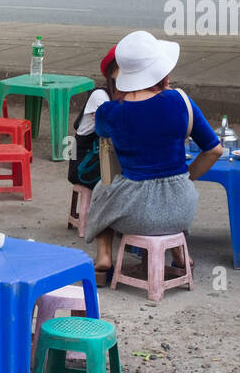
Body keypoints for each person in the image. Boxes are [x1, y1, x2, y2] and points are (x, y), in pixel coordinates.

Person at [85, 30, 223, 279]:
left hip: (133, 213)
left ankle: (104, 254)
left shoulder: (109, 111)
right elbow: (214, 150)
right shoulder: (181, 100)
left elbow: (103, 133)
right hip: (180, 208)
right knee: (171, 197)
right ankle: (180, 253)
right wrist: (184, 179)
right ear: (161, 70)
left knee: (102, 189)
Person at [68, 45, 117, 189]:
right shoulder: (100, 96)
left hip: (106, 160)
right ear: (113, 71)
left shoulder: (127, 96)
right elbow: (109, 128)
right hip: (86, 163)